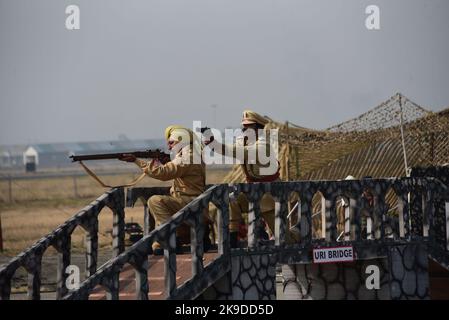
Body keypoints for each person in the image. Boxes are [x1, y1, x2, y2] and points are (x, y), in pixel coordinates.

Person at [120, 125, 210, 255]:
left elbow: (163, 173)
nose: (169, 147)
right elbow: (182, 171)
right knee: (157, 244)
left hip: (191, 203)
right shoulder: (192, 153)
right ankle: (165, 241)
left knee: (155, 201)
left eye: (172, 143)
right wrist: (168, 161)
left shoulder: (188, 155)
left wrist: (137, 161)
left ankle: (170, 239)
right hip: (193, 204)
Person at [204, 110, 281, 247]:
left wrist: (214, 144)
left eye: (249, 127)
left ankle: (296, 234)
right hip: (252, 193)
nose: (244, 130)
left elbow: (238, 152)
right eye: (243, 127)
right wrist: (213, 144)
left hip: (269, 197)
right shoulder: (244, 142)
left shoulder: (264, 145)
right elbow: (231, 149)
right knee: (232, 200)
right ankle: (232, 239)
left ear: (259, 129)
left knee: (284, 237)